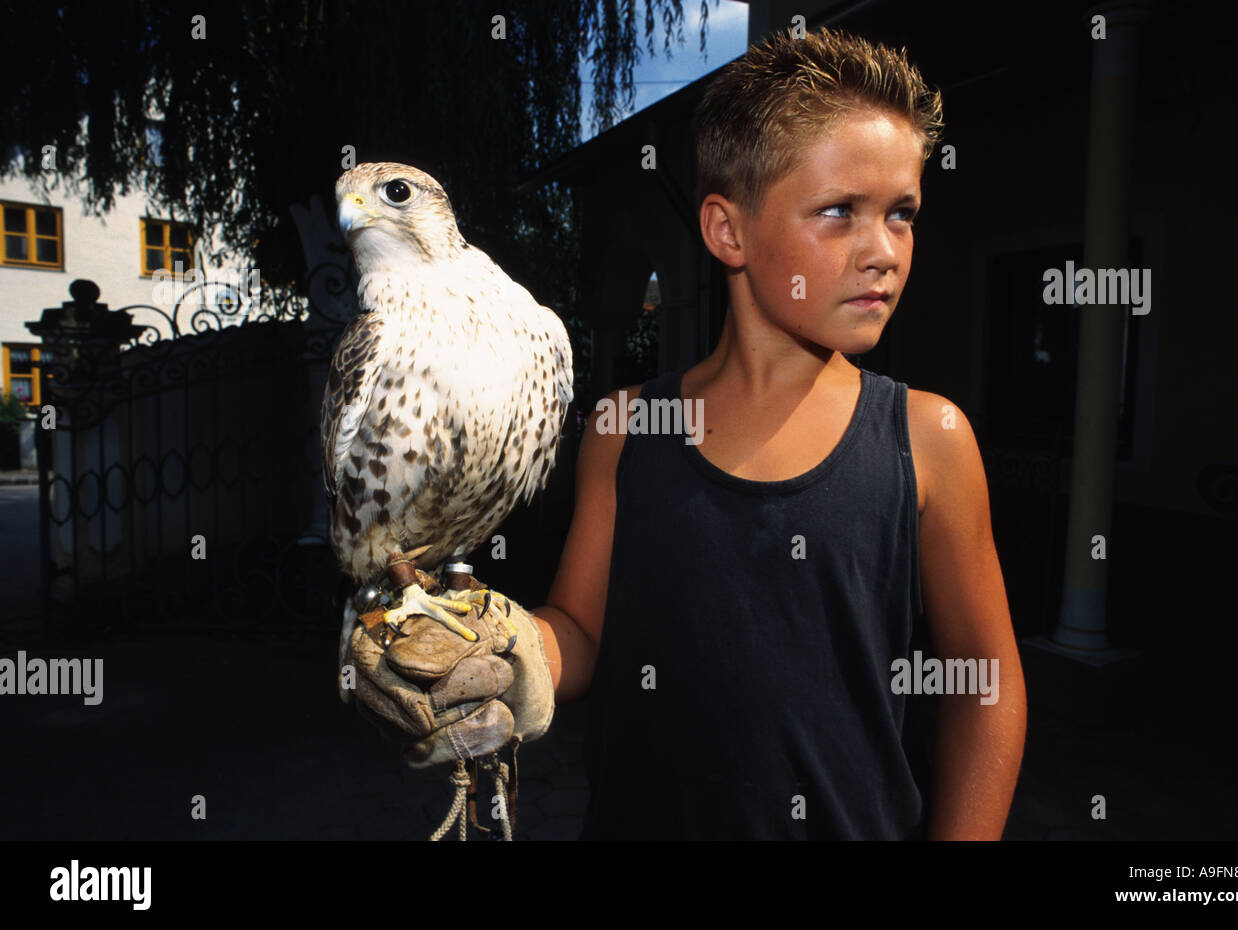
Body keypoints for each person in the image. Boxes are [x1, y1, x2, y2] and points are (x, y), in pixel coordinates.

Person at [345, 26, 1027, 840]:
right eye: (840, 211)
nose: (883, 250)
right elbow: (584, 631)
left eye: (903, 213)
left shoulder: (931, 437)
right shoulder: (625, 428)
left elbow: (985, 686)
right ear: (727, 231)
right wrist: (513, 657)